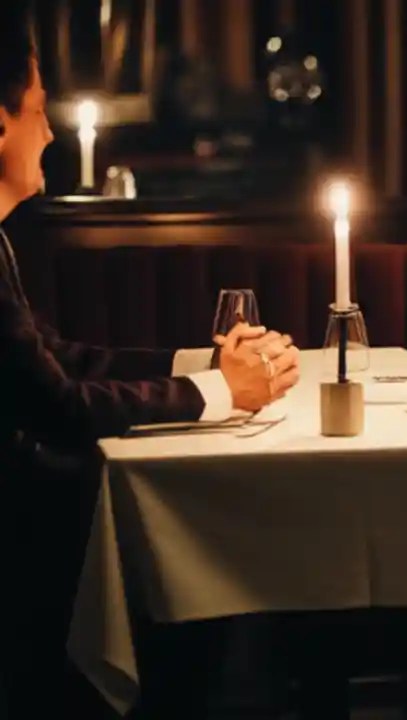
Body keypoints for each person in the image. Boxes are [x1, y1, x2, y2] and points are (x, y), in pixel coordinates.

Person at [0, 15, 302, 718]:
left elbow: (61, 357)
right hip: (19, 534)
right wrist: (220, 391)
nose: (49, 135)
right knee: (200, 566)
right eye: (39, 112)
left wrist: (206, 363)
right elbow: (59, 407)